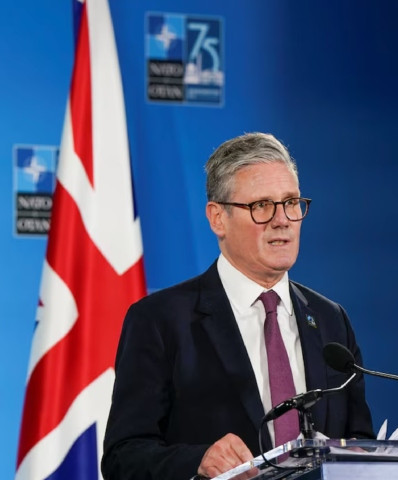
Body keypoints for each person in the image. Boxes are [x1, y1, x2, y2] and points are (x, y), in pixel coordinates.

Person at [101, 132, 374, 480]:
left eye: (291, 202)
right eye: (261, 205)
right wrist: (198, 460)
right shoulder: (161, 321)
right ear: (218, 218)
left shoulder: (330, 319)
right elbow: (123, 458)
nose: (282, 219)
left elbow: (359, 442)